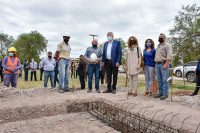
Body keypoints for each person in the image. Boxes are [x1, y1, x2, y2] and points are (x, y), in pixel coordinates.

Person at [154, 33, 173, 100]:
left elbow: (169, 55)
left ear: (165, 38)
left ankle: (165, 94)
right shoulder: (158, 46)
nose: (160, 38)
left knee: (165, 80)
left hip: (163, 64)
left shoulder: (167, 45)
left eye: (162, 37)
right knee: (159, 79)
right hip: (157, 64)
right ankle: (160, 93)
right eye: (159, 37)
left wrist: (166, 64)